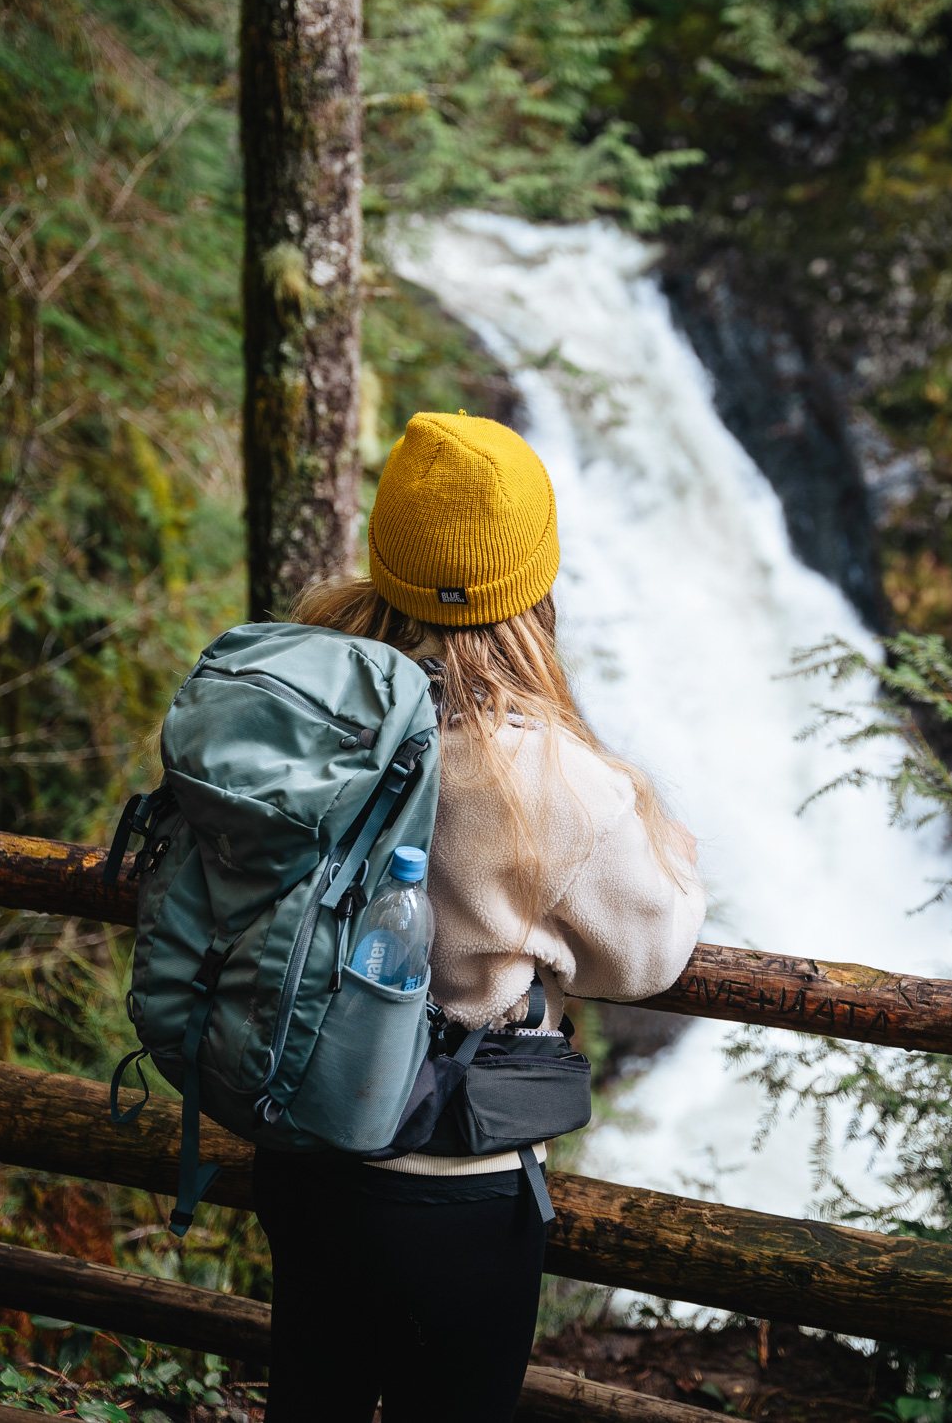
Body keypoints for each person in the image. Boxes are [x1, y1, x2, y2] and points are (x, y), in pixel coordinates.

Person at [253, 410, 706, 1422]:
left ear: (386, 556)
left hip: (299, 1150)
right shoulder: (550, 776)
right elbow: (649, 956)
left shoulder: (297, 699)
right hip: (451, 1185)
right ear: (534, 582)